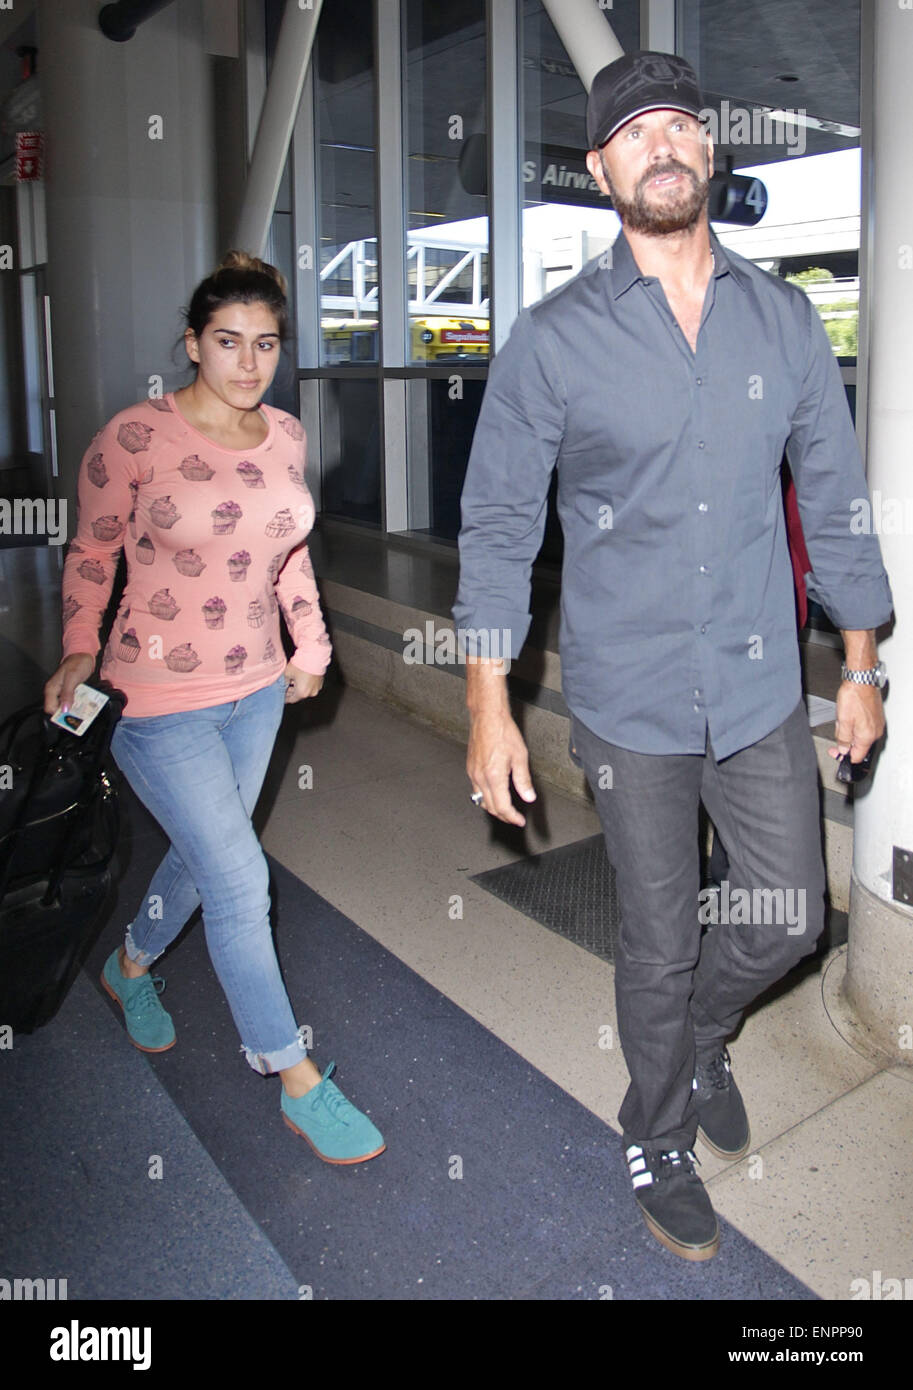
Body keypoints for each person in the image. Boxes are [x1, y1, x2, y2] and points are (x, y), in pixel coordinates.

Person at [453, 52, 892, 1260]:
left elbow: (835, 498)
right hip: (630, 694)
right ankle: (652, 1127)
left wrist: (858, 667)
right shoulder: (552, 341)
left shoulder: (783, 318)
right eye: (632, 131)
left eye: (679, 127)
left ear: (709, 150)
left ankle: (702, 1035)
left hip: (755, 687)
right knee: (656, 934)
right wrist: (489, 701)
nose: (661, 145)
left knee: (791, 914)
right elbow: (497, 523)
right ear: (601, 169)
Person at [44, 251, 384, 1165]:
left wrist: (310, 644)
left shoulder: (283, 435)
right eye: (227, 342)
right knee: (241, 879)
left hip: (257, 689)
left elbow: (285, 557)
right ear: (192, 344)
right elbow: (91, 553)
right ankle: (294, 1077)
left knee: (205, 862)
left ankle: (129, 968)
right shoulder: (134, 439)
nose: (248, 362)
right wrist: (79, 643)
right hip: (158, 700)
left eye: (265, 344)